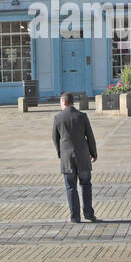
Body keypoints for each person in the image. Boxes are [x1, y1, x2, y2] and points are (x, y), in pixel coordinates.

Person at [52, 92, 98, 223]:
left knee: (71, 187)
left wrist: (60, 153)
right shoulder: (82, 116)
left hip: (67, 158)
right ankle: (89, 214)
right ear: (73, 102)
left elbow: (55, 138)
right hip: (83, 156)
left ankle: (75, 217)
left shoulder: (58, 118)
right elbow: (90, 136)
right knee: (86, 185)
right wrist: (93, 153)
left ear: (63, 102)